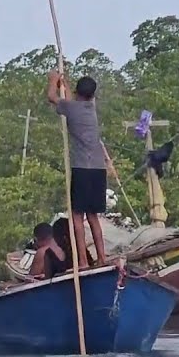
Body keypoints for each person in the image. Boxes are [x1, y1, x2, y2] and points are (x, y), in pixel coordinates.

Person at [46, 70, 116, 268]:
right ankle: (102, 258)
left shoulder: (72, 108)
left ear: (78, 93)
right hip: (98, 169)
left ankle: (83, 261)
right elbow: (70, 101)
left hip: (82, 168)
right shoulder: (90, 108)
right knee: (93, 216)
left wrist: (53, 80)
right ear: (92, 95)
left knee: (77, 216)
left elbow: (52, 97)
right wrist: (64, 84)